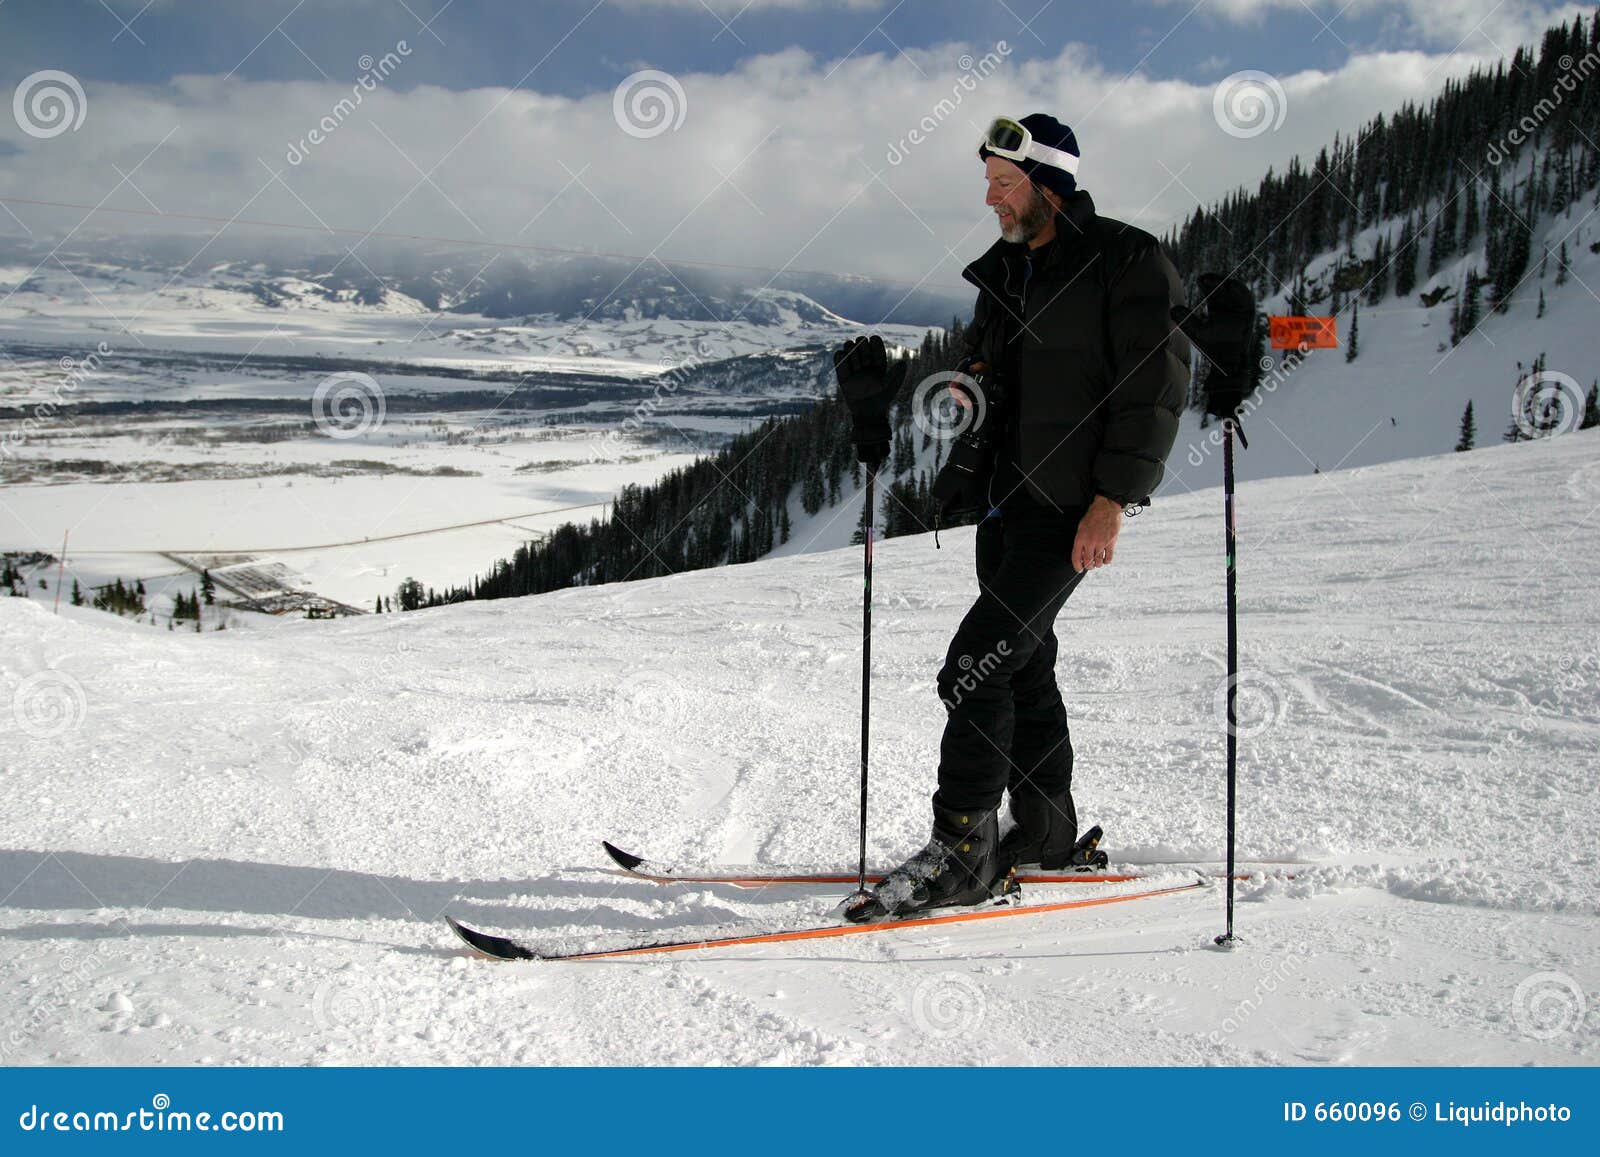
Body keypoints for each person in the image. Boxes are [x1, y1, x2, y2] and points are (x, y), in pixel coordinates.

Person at [835, 113, 1203, 923]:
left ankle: (964, 851)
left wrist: (1114, 498)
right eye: (990, 185)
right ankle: (1044, 833)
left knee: (974, 665)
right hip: (1005, 505)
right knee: (1024, 663)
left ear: (1049, 184)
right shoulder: (1008, 272)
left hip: (1071, 507)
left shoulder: (1128, 261)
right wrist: (902, 405)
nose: (991, 199)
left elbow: (1155, 391)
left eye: (1004, 184)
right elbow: (984, 380)